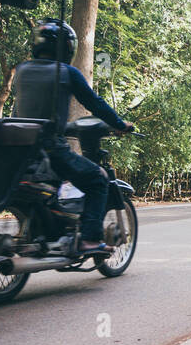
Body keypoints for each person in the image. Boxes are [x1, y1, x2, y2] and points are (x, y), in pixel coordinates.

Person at [11, 19, 133, 257]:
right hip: (51, 150)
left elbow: (22, 111)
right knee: (99, 180)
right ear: (67, 48)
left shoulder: (22, 71)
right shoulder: (67, 73)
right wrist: (120, 125)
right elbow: (94, 103)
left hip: (21, 150)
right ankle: (89, 239)